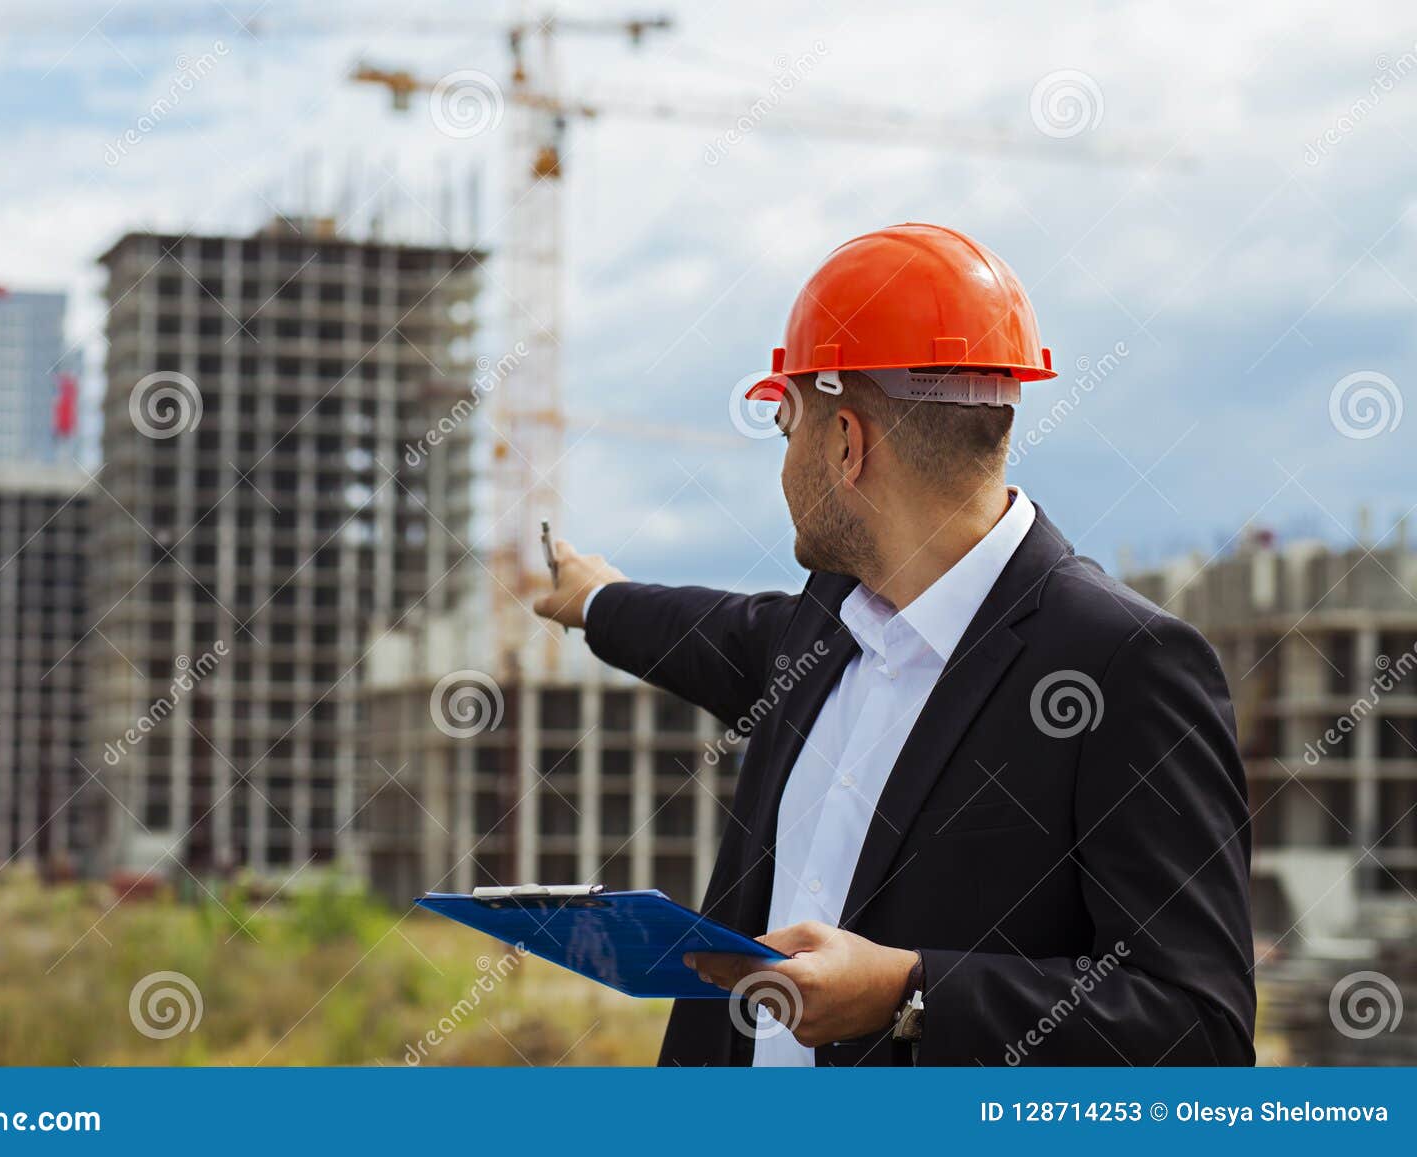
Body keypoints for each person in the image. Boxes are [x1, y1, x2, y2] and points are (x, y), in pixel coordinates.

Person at [532, 223, 1255, 1067]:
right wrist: (595, 600)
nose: (782, 467)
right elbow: (715, 636)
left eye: (786, 426)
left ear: (846, 443)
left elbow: (1197, 1027)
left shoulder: (1121, 664)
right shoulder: (828, 622)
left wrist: (913, 992)